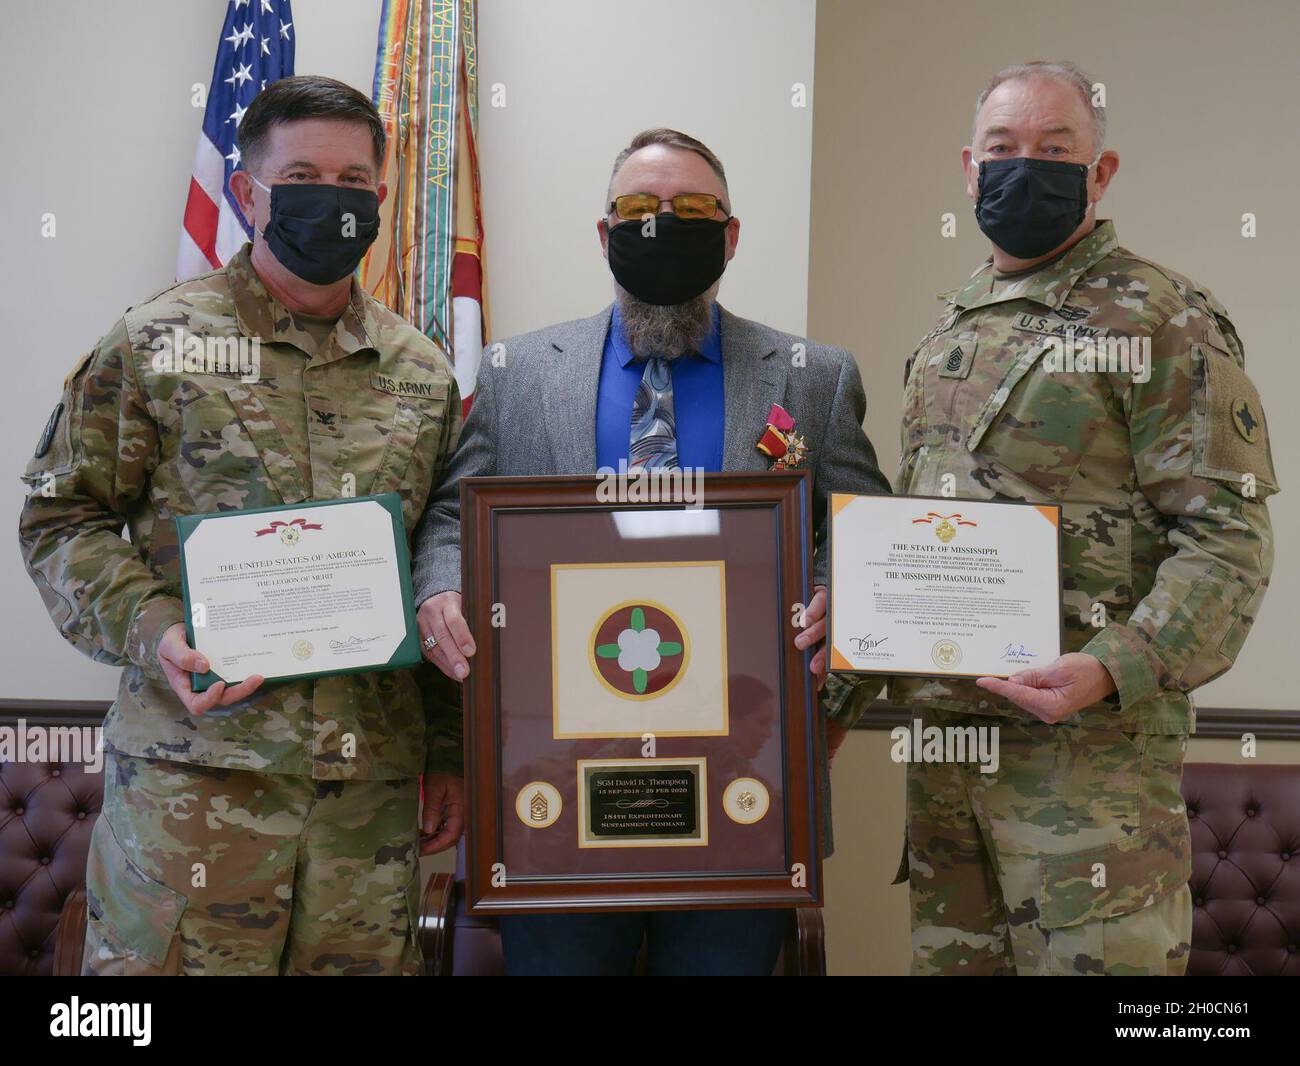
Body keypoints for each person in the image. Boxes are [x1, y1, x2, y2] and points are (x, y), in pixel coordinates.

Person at [412, 127, 889, 975]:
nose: (661, 224)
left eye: (693, 209)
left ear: (731, 234)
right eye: (638, 208)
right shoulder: (519, 371)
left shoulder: (813, 375)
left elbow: (861, 536)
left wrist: (833, 659)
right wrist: (440, 590)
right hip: (550, 786)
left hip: (747, 782)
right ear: (604, 234)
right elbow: (452, 514)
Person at [19, 75, 464, 975]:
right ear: (245, 192)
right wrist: (159, 635)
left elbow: (440, 560)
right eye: (302, 174)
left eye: (353, 181)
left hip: (364, 804)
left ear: (379, 196)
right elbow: (62, 520)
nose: (331, 198)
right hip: (193, 789)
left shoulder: (423, 373)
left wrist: (449, 748)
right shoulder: (155, 343)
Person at [895, 61, 1278, 975]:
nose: (1025, 166)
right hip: (949, 758)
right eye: (1003, 149)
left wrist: (1113, 668)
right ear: (968, 167)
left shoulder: (1164, 317)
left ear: (1100, 174)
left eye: (1054, 150)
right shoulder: (951, 332)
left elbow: (1229, 541)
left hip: (1090, 772)